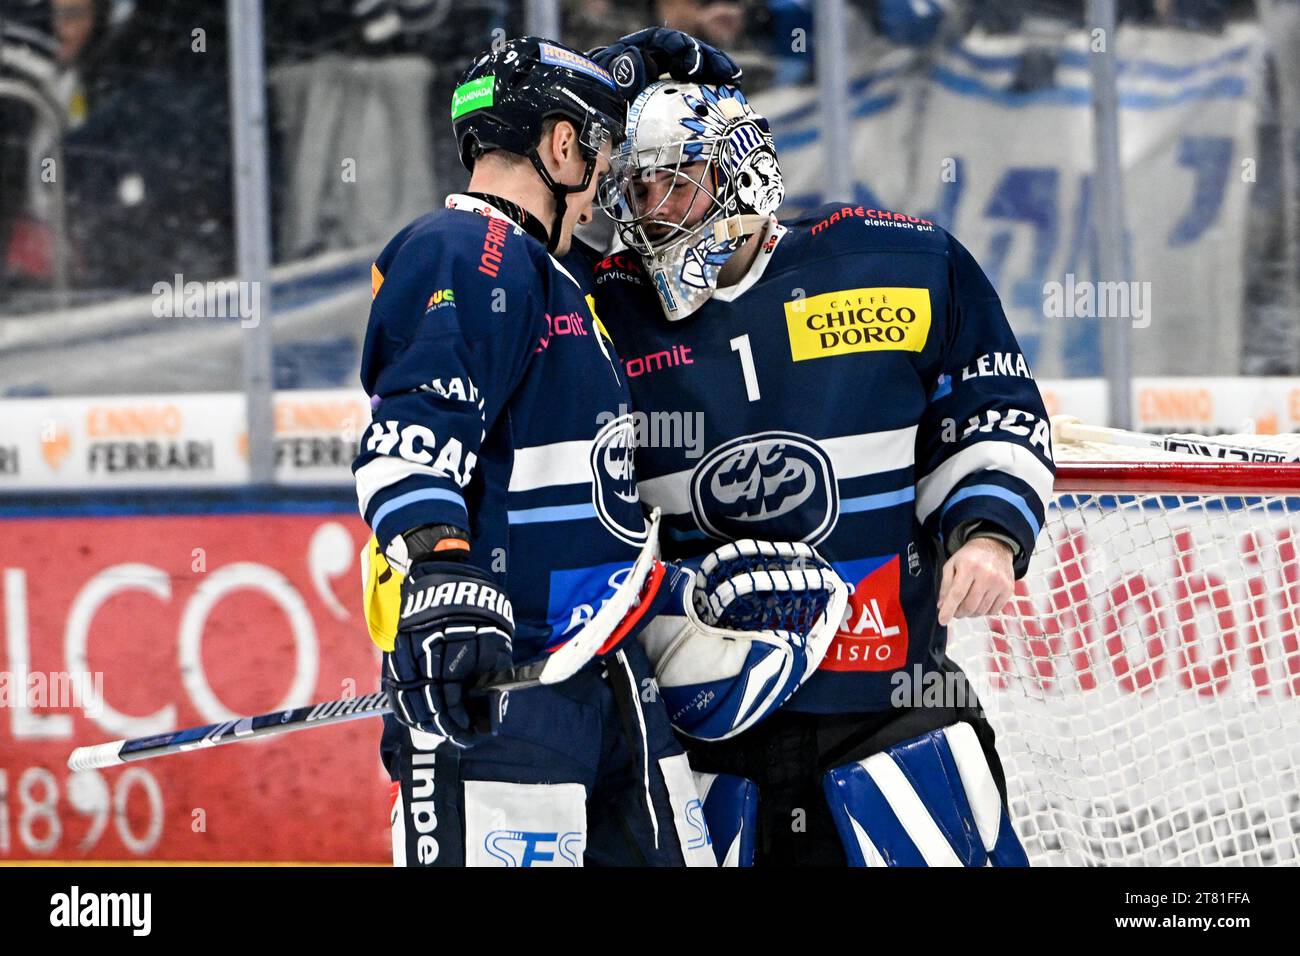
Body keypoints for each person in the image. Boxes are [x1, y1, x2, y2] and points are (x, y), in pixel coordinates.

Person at [587, 75, 1056, 865]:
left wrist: (989, 533)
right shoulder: (605, 311)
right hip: (707, 729)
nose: (656, 207)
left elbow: (988, 401)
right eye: (638, 188)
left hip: (886, 705)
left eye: (677, 179)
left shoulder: (895, 264)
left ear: (740, 172)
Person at [352, 36, 722, 867]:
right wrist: (443, 570)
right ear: (561, 146)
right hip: (500, 682)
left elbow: (583, 508)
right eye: (598, 153)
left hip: (606, 673)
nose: (601, 191)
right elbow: (409, 439)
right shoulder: (464, 249)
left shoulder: (548, 277)